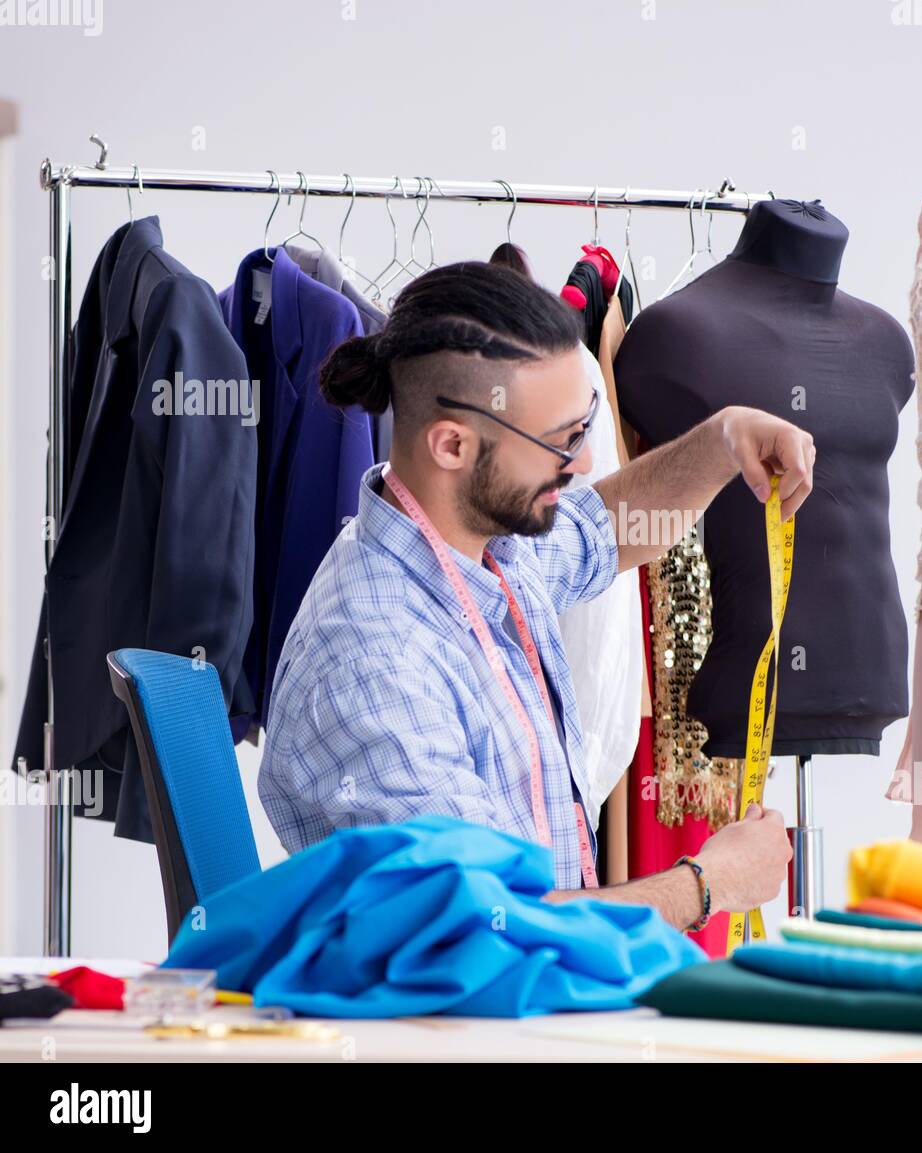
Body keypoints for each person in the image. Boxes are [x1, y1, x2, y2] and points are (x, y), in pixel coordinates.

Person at [258, 261, 815, 933]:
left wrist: (725, 440)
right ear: (453, 444)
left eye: (583, 430)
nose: (581, 465)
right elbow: (502, 924)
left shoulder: (478, 546)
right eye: (561, 442)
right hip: (450, 1031)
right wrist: (708, 882)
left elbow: (605, 528)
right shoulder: (375, 662)